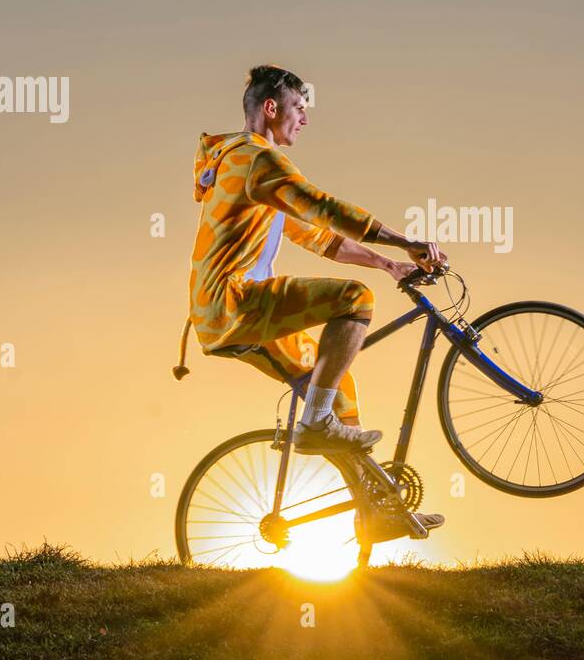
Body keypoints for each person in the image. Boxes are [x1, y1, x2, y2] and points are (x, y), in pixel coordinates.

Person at [182, 64, 447, 537]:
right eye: (299, 108)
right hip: (235, 303)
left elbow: (319, 235)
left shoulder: (246, 167)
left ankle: (374, 513)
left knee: (336, 390)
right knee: (353, 299)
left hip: (227, 311)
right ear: (271, 108)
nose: (304, 119)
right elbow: (323, 207)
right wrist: (404, 241)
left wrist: (389, 265)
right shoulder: (255, 159)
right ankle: (317, 424)